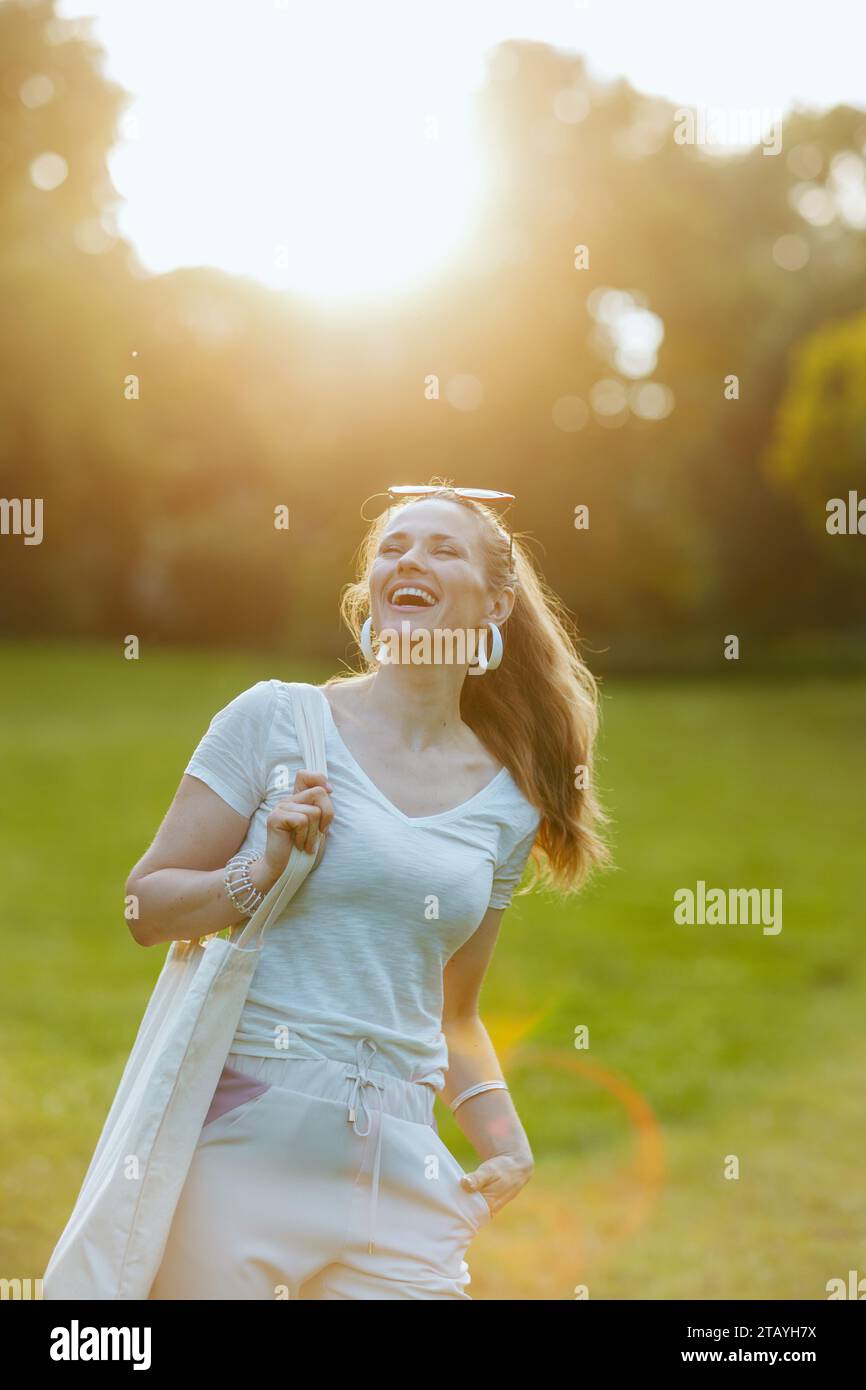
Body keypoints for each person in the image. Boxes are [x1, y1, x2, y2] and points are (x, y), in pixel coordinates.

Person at [135, 483, 608, 1300]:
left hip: (400, 1160)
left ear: (496, 604)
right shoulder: (275, 721)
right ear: (371, 595)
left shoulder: (509, 800)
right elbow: (146, 908)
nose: (409, 560)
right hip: (247, 1138)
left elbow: (452, 1010)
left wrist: (503, 1139)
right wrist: (258, 873)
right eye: (392, 547)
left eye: (439, 548)